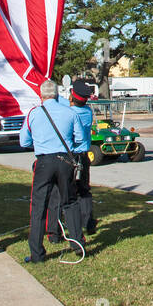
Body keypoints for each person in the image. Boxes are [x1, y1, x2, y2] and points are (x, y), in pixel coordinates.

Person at [20, 80, 88, 263]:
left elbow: (23, 141)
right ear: (58, 94)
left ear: (41, 95)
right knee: (70, 201)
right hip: (65, 160)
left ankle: (37, 253)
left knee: (38, 206)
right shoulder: (69, 112)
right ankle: (76, 243)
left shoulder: (33, 114)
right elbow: (80, 138)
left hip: (43, 161)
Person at [65, 78, 97, 235]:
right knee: (84, 189)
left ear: (72, 96)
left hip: (71, 155)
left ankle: (73, 223)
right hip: (84, 155)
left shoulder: (70, 112)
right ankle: (88, 221)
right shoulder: (88, 112)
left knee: (70, 191)